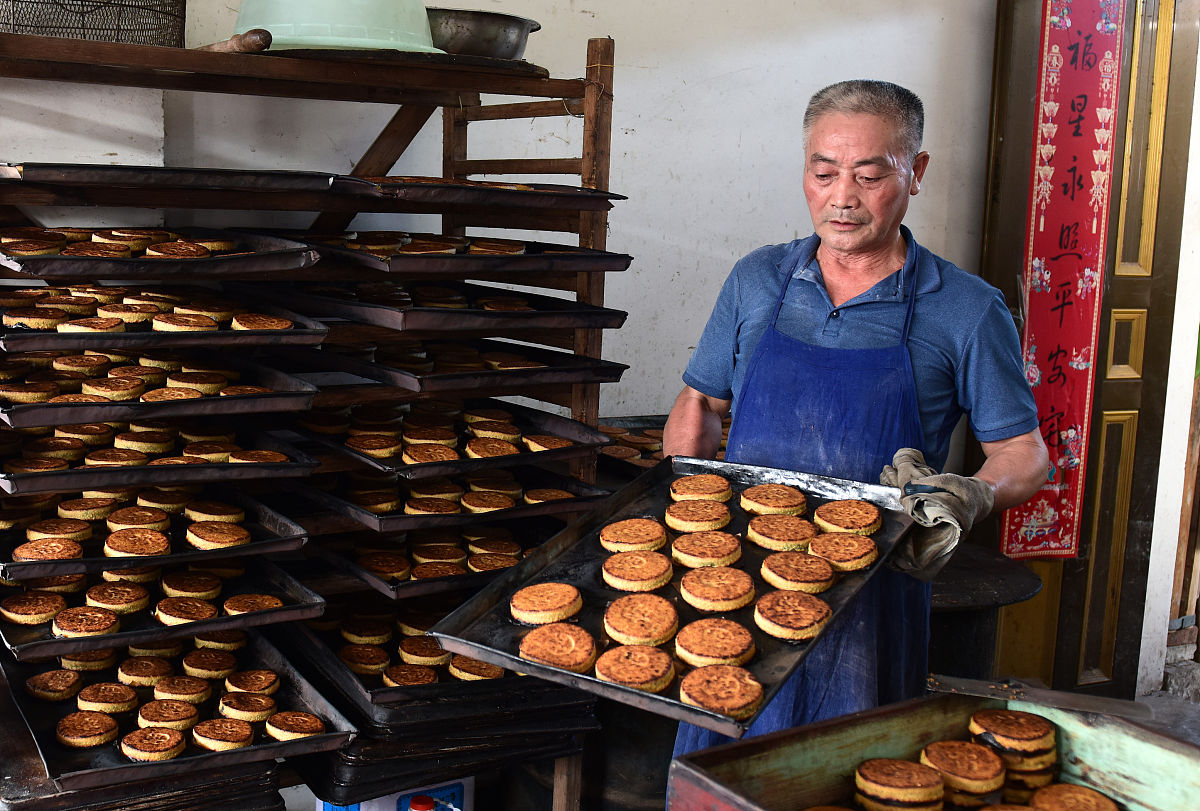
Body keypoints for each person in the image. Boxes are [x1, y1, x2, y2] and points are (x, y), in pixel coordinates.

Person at [663, 79, 1049, 755]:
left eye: (870, 176)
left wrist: (973, 494)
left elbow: (1024, 452)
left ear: (916, 172)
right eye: (824, 173)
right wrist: (684, 515)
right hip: (739, 578)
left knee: (852, 768)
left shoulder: (965, 308)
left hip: (875, 588)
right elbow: (700, 403)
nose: (842, 197)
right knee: (721, 768)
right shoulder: (757, 280)